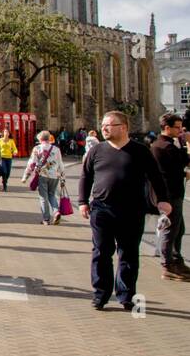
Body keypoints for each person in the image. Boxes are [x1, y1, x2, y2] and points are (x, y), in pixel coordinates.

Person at [79, 110, 172, 310]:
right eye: (102, 124)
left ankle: (126, 294)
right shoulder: (97, 150)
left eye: (108, 125)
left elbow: (156, 177)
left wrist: (163, 200)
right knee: (101, 252)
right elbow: (85, 176)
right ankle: (101, 294)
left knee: (128, 254)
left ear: (123, 127)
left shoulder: (140, 151)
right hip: (102, 209)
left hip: (132, 210)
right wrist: (82, 202)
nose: (103, 128)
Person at [150, 112, 190, 280]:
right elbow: (185, 161)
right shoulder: (165, 146)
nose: (180, 131)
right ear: (167, 128)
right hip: (170, 193)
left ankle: (176, 259)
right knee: (171, 229)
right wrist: (188, 142)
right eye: (178, 128)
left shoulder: (164, 145)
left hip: (172, 191)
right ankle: (168, 265)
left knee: (179, 229)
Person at [21, 129, 65, 225]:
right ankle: (56, 212)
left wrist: (25, 177)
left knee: (43, 197)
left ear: (40, 139)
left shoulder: (37, 149)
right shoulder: (56, 149)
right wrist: (62, 174)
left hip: (42, 175)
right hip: (54, 176)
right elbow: (60, 163)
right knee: (52, 195)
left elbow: (31, 163)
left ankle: (46, 219)